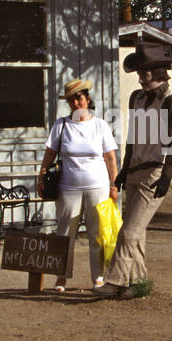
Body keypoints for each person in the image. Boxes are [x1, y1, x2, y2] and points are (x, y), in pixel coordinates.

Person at [92, 43, 172, 300]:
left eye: (145, 72)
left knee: (128, 232)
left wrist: (167, 175)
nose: (141, 78)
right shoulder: (137, 98)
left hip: (154, 174)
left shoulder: (171, 101)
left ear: (157, 71)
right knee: (137, 232)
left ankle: (114, 281)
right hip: (134, 171)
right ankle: (138, 283)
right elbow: (132, 137)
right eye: (139, 73)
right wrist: (123, 170)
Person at [38, 79, 119, 291]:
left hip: (98, 186)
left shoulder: (100, 125)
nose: (76, 103)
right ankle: (61, 277)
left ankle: (98, 277)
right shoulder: (61, 124)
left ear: (87, 99)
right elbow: (50, 153)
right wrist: (41, 175)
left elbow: (110, 157)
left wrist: (114, 184)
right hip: (68, 187)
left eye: (79, 98)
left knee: (97, 233)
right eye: (71, 100)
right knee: (65, 233)